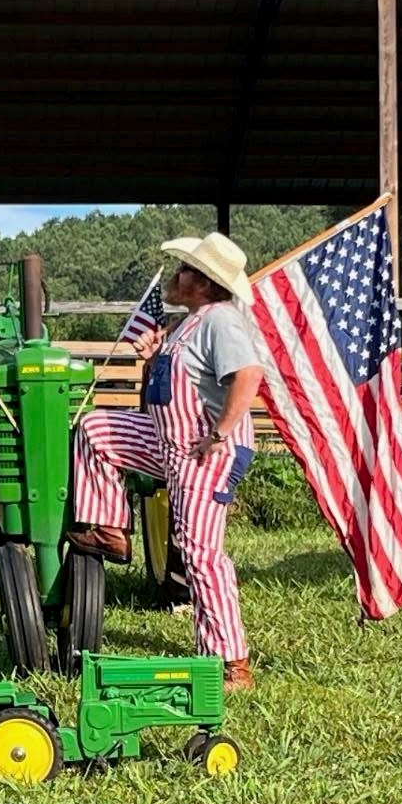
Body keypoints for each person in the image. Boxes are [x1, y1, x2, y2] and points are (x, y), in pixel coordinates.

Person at [67, 231, 264, 691]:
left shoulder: (220, 321)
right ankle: (110, 530)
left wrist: (219, 433)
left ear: (204, 282)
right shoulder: (188, 324)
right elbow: (164, 391)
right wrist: (153, 358)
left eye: (183, 270)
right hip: (168, 442)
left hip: (204, 450)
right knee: (96, 429)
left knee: (199, 553)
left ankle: (232, 663)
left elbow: (249, 375)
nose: (174, 277)